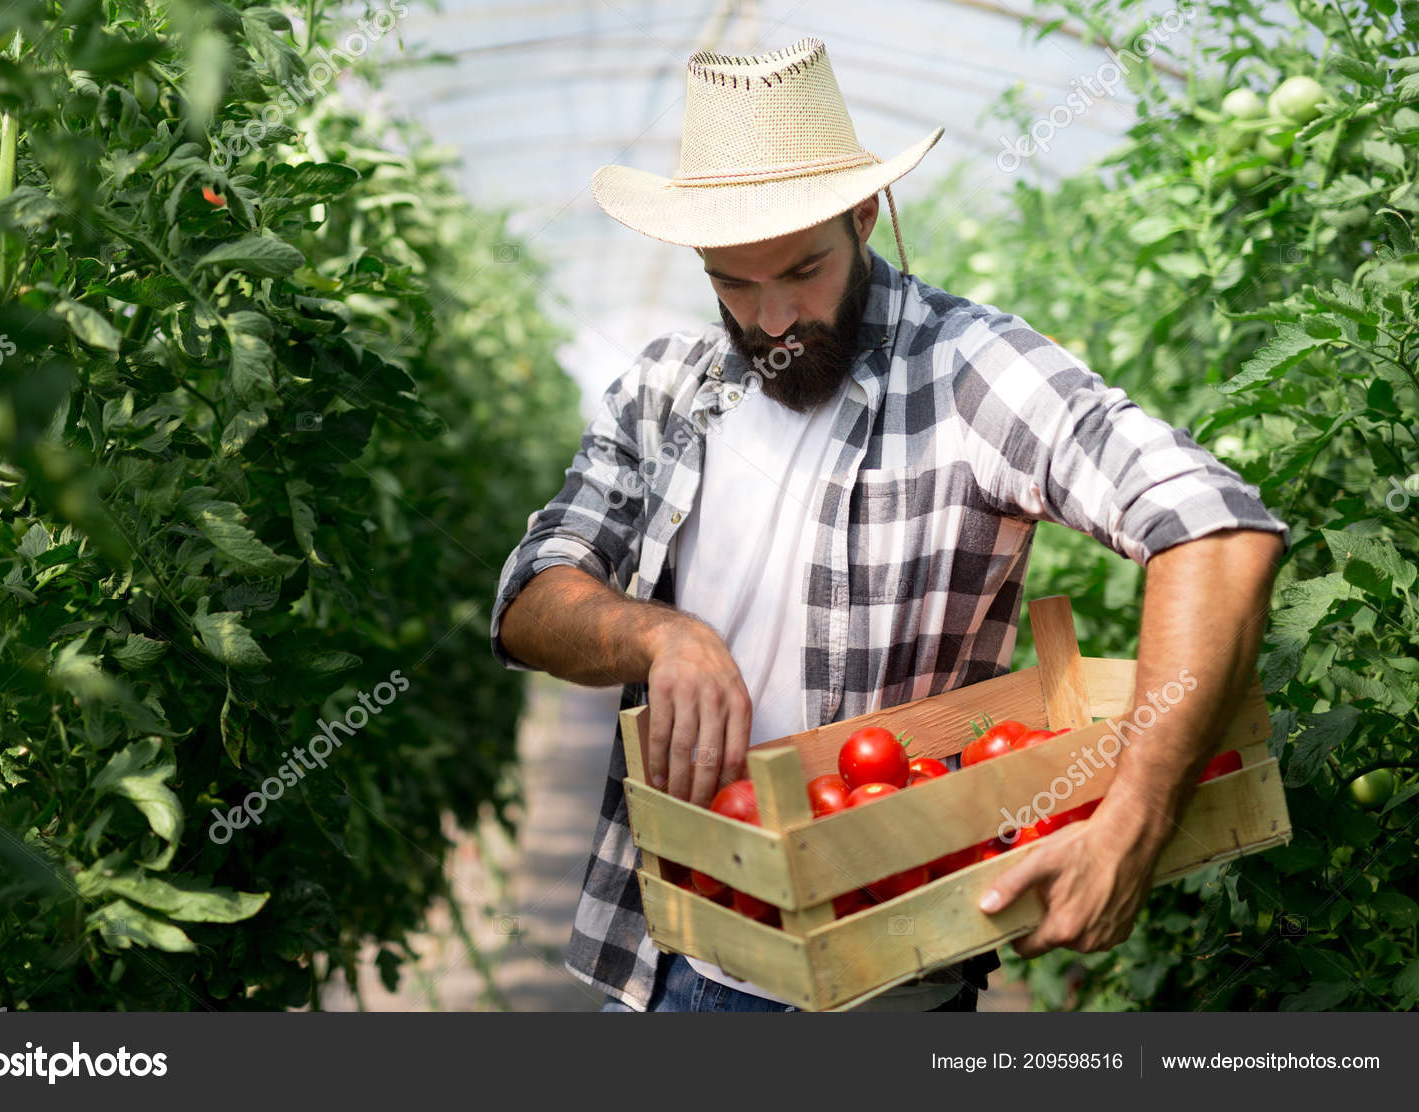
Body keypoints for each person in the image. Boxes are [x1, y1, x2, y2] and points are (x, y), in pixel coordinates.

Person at [490, 36, 1287, 1013]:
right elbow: (533, 590)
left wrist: (1134, 819)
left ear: (864, 215)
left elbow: (1216, 526)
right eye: (732, 282)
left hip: (884, 980)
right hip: (672, 957)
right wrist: (657, 634)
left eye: (802, 268)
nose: (774, 317)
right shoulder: (667, 386)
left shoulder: (968, 372)